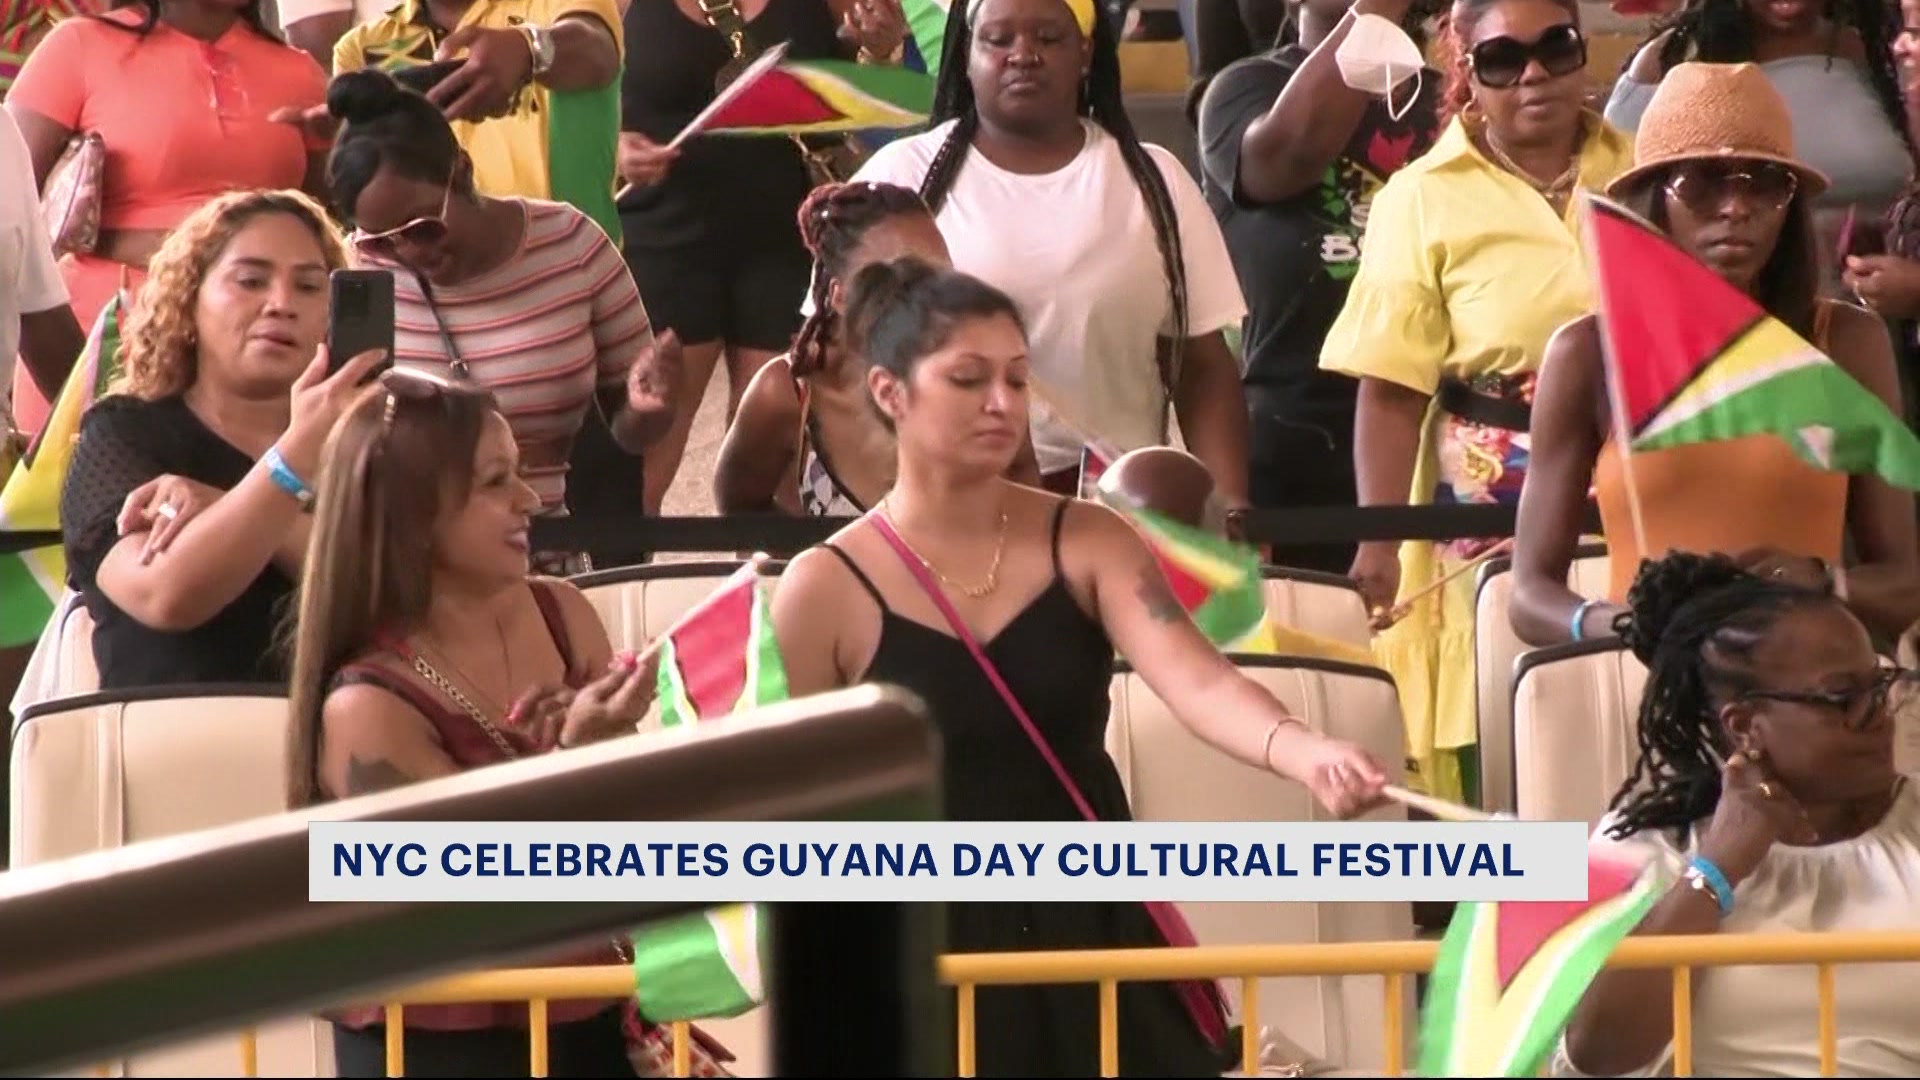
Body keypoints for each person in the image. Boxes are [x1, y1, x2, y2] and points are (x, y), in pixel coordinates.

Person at [771, 256, 1388, 1077]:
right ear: (890, 392)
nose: (1003, 403)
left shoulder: (1091, 538)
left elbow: (1198, 679)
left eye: (1017, 378)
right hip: (919, 938)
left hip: (1094, 914)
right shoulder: (822, 586)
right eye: (968, 379)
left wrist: (1304, 751)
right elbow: (790, 805)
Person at [285, 368, 660, 1077]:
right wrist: (574, 758)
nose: (529, 499)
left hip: (590, 1008)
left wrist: (616, 747)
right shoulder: (365, 707)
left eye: (518, 473)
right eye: (495, 483)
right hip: (443, 1045)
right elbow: (484, 890)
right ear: (411, 514)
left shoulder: (564, 612)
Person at [1316, 0, 1633, 801]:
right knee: (1501, 724)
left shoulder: (1644, 170)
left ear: (1582, 50)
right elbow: (1392, 389)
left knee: (1624, 711)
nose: (1533, 74)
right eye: (1502, 59)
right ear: (1467, 71)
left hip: (1631, 479)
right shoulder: (1419, 196)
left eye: (1555, 48)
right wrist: (1379, 542)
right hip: (1484, 503)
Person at [1511, 61, 1920, 649]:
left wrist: (1823, 584)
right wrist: (1622, 627)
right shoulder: (1588, 354)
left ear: (1791, 206)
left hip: (1806, 674)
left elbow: (1904, 584)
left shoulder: (1845, 340)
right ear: (1656, 199)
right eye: (1702, 184)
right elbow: (1528, 594)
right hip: (1646, 669)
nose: (1735, 207)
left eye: (1766, 184)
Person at [835, 0, 1253, 504]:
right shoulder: (902, 178)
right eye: (998, 39)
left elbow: (1202, 368)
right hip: (949, 507)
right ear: (966, 55)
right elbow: (835, 364)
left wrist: (1230, 509)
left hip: (1116, 507)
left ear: (1085, 52)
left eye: (1049, 38)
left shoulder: (1155, 181)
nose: (1023, 54)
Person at [1554, 551, 1920, 1077]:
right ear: (1745, 725)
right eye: (1843, 697)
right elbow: (1596, 1058)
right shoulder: (1647, 849)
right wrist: (1718, 868)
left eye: (1880, 686)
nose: (1880, 717)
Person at [324, 68, 679, 571]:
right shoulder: (358, 270)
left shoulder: (570, 243)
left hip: (541, 546)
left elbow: (632, 433)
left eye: (422, 227)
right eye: (382, 239)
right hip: (408, 558)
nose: (406, 253)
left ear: (462, 170)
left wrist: (648, 408)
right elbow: (340, 440)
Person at [57, 189, 384, 690]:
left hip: (342, 728)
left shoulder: (370, 439)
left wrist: (219, 503)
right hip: (179, 728)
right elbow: (166, 595)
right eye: (250, 281)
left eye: (308, 286)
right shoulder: (125, 433)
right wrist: (293, 460)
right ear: (189, 302)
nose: (281, 304)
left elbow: (393, 594)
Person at [616, 0, 910, 515]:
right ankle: (617, 567)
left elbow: (866, 87)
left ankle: (768, 570)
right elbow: (568, 99)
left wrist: (880, 50)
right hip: (664, 237)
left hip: (785, 236)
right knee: (644, 456)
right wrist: (613, 148)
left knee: (774, 464)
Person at [1195, 0, 1444, 574]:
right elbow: (1290, 156)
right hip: (1292, 441)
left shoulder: (1442, 98)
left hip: (1431, 431)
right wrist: (1375, 12)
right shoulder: (1245, 87)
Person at [6, 0, 330, 434]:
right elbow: (14, 214)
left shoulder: (299, 72)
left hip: (253, 359)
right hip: (92, 343)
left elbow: (321, 227)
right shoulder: (78, 46)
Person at [1602, 0, 1913, 294]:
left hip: (1881, 311)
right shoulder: (1673, 58)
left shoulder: (1880, 54)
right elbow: (1618, 199)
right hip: (1718, 310)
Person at [715, 180, 973, 516]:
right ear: (839, 296)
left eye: (939, 277)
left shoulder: (980, 376)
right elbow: (738, 512)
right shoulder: (786, 394)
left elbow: (1028, 504)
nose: (929, 301)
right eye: (897, 283)